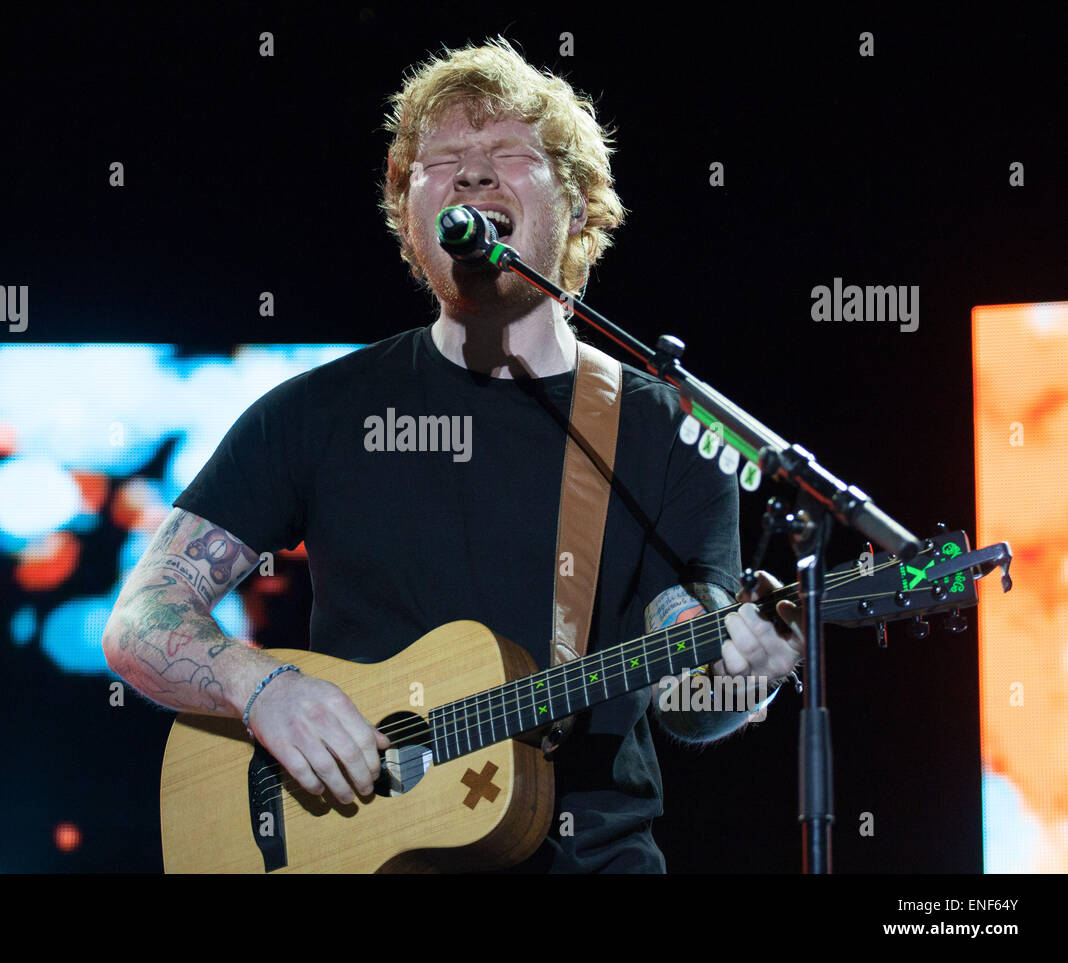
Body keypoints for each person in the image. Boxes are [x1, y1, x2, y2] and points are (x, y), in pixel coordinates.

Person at [102, 37, 803, 872]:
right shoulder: (319, 412)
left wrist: (748, 672)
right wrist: (264, 690)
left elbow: (689, 692)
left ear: (576, 207)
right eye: (442, 163)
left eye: (509, 153)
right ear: (409, 216)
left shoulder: (667, 427)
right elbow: (141, 617)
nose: (472, 175)